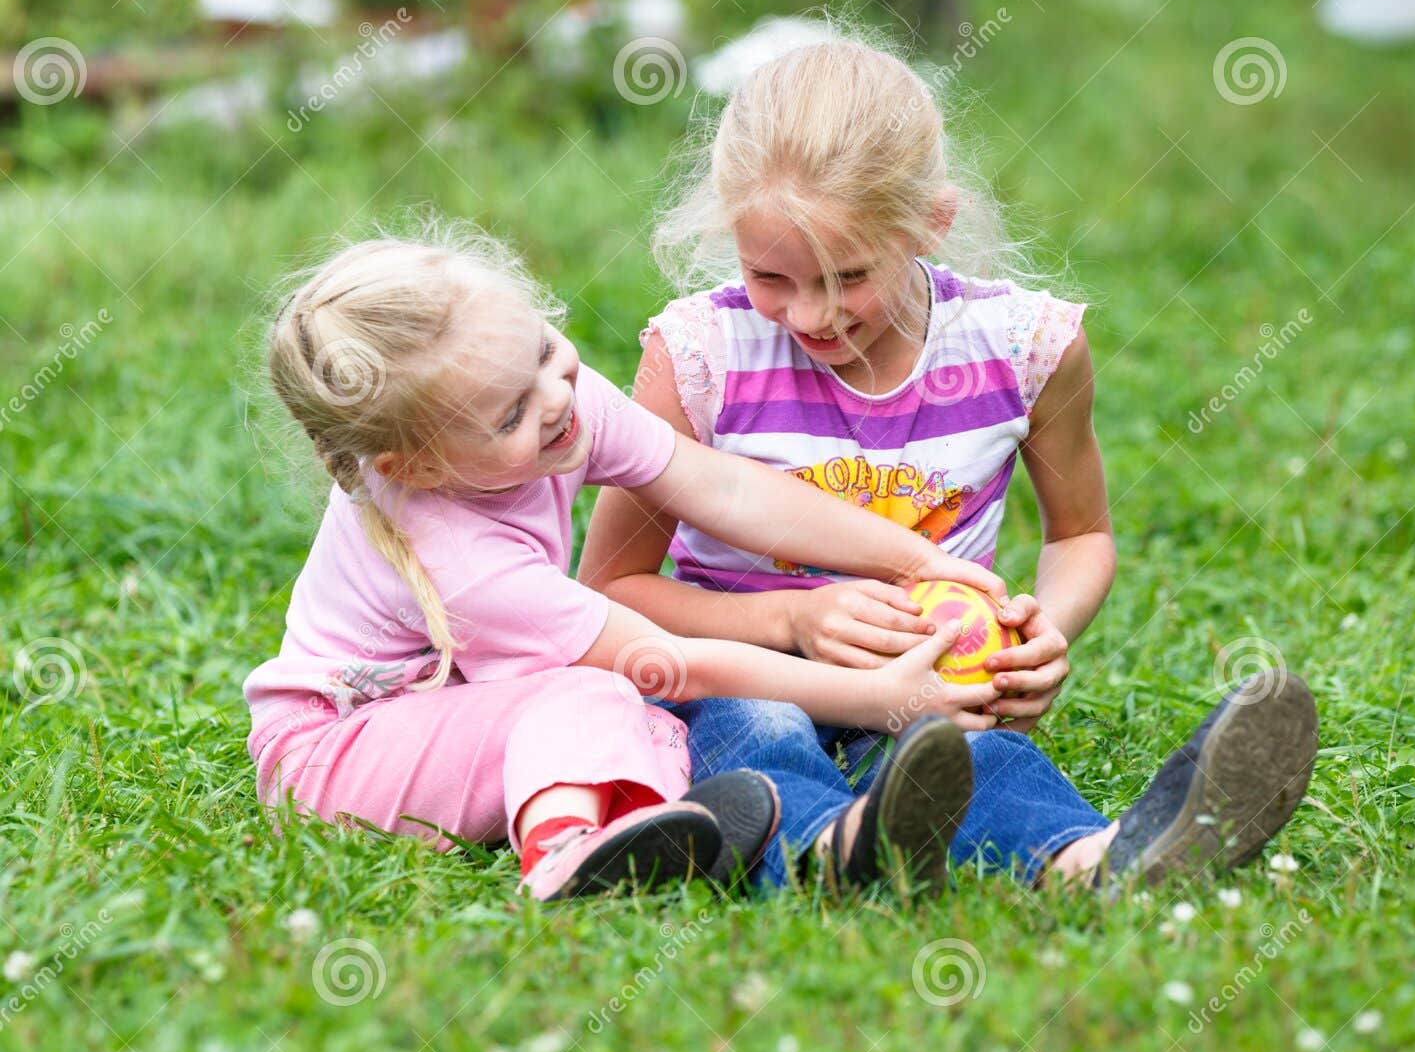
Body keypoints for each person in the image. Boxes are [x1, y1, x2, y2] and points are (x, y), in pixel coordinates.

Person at [579, 35, 1318, 893]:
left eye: (847, 276)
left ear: (932, 222)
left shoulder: (1022, 349)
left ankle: (1095, 862)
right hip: (745, 668)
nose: (810, 315)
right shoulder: (704, 356)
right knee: (762, 729)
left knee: (981, 759)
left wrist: (1038, 636)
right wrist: (792, 622)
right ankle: (832, 852)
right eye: (770, 276)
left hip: (934, 679)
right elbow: (608, 591)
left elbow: (1080, 535)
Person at [244, 221, 1012, 902]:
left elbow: (722, 488)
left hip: (455, 716)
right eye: (509, 414)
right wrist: (876, 698)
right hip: (334, 759)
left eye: (544, 351)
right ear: (414, 467)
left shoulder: (557, 403)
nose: (555, 397)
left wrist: (916, 560)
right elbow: (673, 663)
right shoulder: (459, 559)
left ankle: (668, 837)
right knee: (599, 691)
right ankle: (565, 855)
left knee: (637, 716)